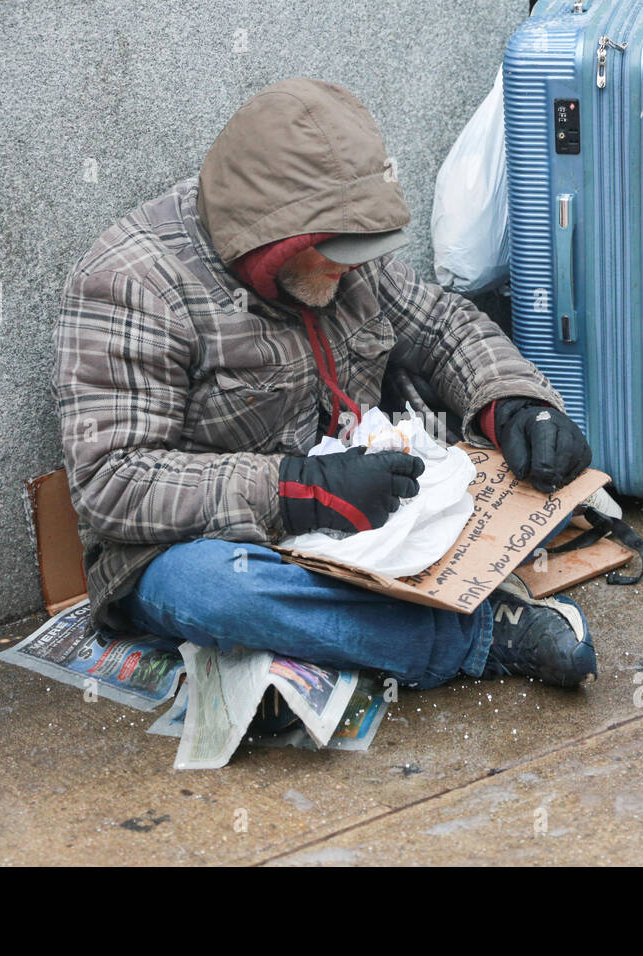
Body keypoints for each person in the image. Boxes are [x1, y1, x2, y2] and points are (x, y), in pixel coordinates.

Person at [52, 78, 597, 695]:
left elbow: (442, 326)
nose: (351, 265)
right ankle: (475, 636)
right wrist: (296, 493)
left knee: (537, 471)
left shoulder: (341, 247)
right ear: (273, 242)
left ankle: (345, 629)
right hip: (216, 542)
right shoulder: (130, 284)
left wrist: (514, 403)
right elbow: (112, 482)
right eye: (333, 252)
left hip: (359, 510)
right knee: (213, 592)